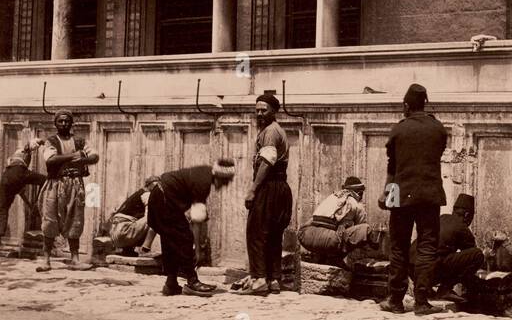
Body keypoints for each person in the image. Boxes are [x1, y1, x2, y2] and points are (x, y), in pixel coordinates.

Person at [381, 83, 447, 316]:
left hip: (401, 193)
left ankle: (395, 300)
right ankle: (421, 300)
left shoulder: (398, 130)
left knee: (398, 245)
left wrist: (387, 195)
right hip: (429, 194)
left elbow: (393, 167)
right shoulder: (438, 129)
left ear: (406, 105)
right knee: (427, 246)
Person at [147, 159, 236, 297]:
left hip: (159, 197)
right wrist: (198, 250)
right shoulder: (203, 182)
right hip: (164, 199)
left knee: (171, 241)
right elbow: (197, 219)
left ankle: (171, 284)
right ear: (220, 176)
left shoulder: (205, 174)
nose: (226, 185)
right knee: (185, 238)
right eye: (226, 181)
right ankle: (192, 281)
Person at [35, 111, 99, 272]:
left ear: (71, 124)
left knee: (75, 219)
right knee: (50, 220)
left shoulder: (79, 141)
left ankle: (75, 259)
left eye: (66, 121)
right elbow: (50, 159)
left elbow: (95, 156)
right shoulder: (50, 141)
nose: (64, 124)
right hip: (55, 184)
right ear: (56, 124)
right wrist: (73, 156)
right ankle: (46, 259)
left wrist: (83, 158)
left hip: (76, 184)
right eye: (60, 121)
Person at [244, 92, 293, 297]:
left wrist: (253, 189)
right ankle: (274, 280)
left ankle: (259, 279)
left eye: (264, 110)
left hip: (269, 187)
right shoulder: (276, 130)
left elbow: (267, 161)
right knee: (274, 235)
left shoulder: (270, 132)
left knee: (256, 233)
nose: (260, 114)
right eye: (257, 111)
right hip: (280, 188)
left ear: (274, 111)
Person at [299, 177, 371, 267]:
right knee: (364, 230)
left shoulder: (332, 197)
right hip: (329, 241)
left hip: (306, 237)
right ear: (359, 193)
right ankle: (335, 258)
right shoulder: (357, 204)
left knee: (331, 228)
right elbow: (360, 228)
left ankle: (321, 257)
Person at [0, 143, 46, 250]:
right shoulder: (22, 151)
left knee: (3, 209)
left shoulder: (13, 159)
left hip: (6, 177)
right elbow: (28, 146)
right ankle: (38, 203)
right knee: (44, 180)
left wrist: (30, 205)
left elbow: (19, 191)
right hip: (19, 172)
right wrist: (40, 142)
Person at [433, 193, 484, 298]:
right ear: (466, 215)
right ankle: (445, 289)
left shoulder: (441, 218)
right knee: (478, 255)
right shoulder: (461, 226)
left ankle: (425, 289)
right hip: (431, 272)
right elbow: (471, 255)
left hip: (414, 271)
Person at [108, 176, 159, 255]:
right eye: (156, 186)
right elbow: (150, 215)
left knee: (138, 220)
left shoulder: (137, 194)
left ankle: (127, 250)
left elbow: (113, 214)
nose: (157, 189)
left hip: (114, 235)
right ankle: (145, 249)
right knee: (156, 217)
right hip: (124, 231)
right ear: (149, 185)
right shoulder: (147, 194)